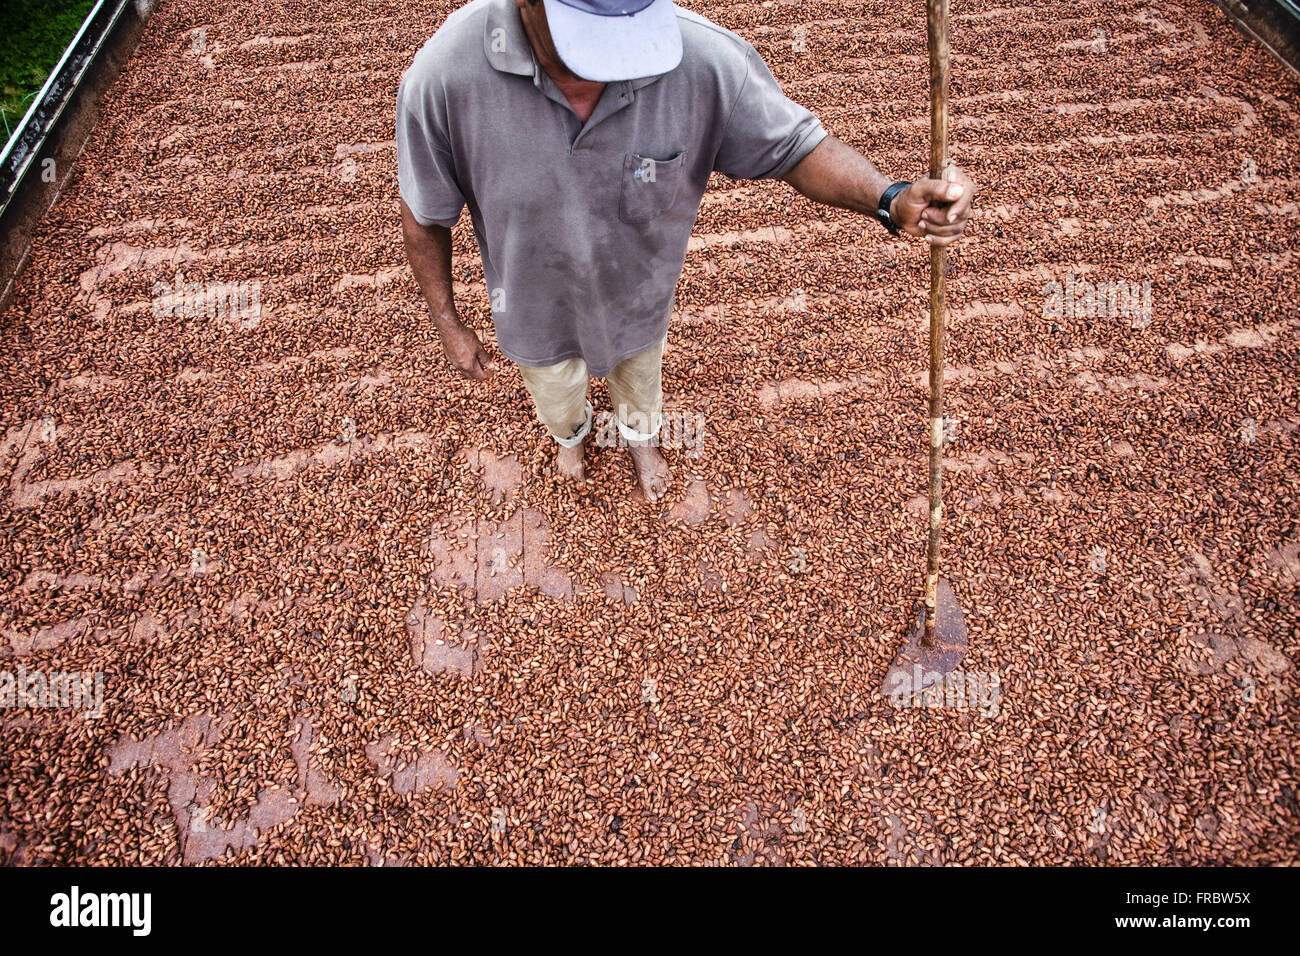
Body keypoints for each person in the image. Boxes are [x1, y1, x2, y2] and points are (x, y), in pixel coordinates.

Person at [397, 0, 975, 500]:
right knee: (556, 394)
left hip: (640, 306)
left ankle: (639, 440)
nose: (616, 59)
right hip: (530, 310)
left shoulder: (698, 58)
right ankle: (571, 438)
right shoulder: (444, 75)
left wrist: (891, 198)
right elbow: (425, 214)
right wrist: (448, 323)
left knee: (640, 385)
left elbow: (797, 147)